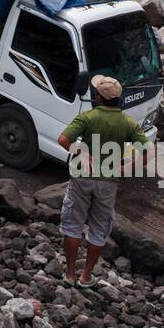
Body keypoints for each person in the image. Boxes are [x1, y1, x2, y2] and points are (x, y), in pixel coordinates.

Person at [56, 75, 149, 288]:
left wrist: (80, 152)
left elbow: (63, 139)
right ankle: (86, 276)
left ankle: (70, 274)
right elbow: (148, 150)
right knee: (99, 229)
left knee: (72, 223)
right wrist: (127, 168)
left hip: (82, 176)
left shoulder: (88, 117)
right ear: (118, 99)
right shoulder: (128, 122)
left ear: (98, 97)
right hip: (108, 181)